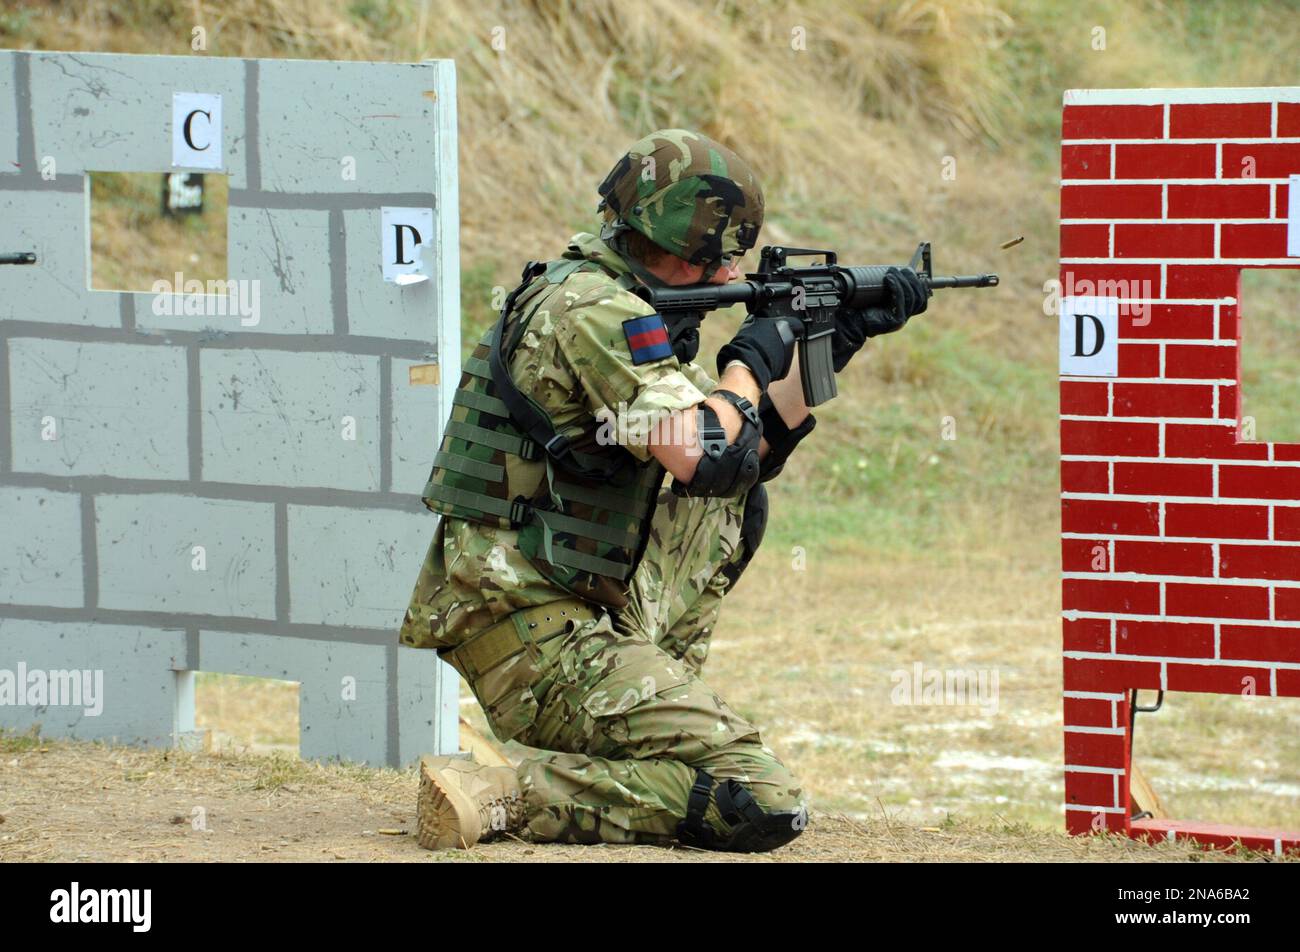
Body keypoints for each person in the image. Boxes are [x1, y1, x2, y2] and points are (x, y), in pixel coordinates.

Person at [399, 129, 927, 852]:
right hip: (531, 637)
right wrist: (748, 358)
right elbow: (705, 453)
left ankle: (641, 706)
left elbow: (742, 458)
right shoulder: (592, 310)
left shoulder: (622, 303)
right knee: (762, 801)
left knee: (742, 500)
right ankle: (506, 793)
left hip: (578, 618)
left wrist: (830, 346)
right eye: (727, 254)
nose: (733, 272)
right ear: (690, 249)